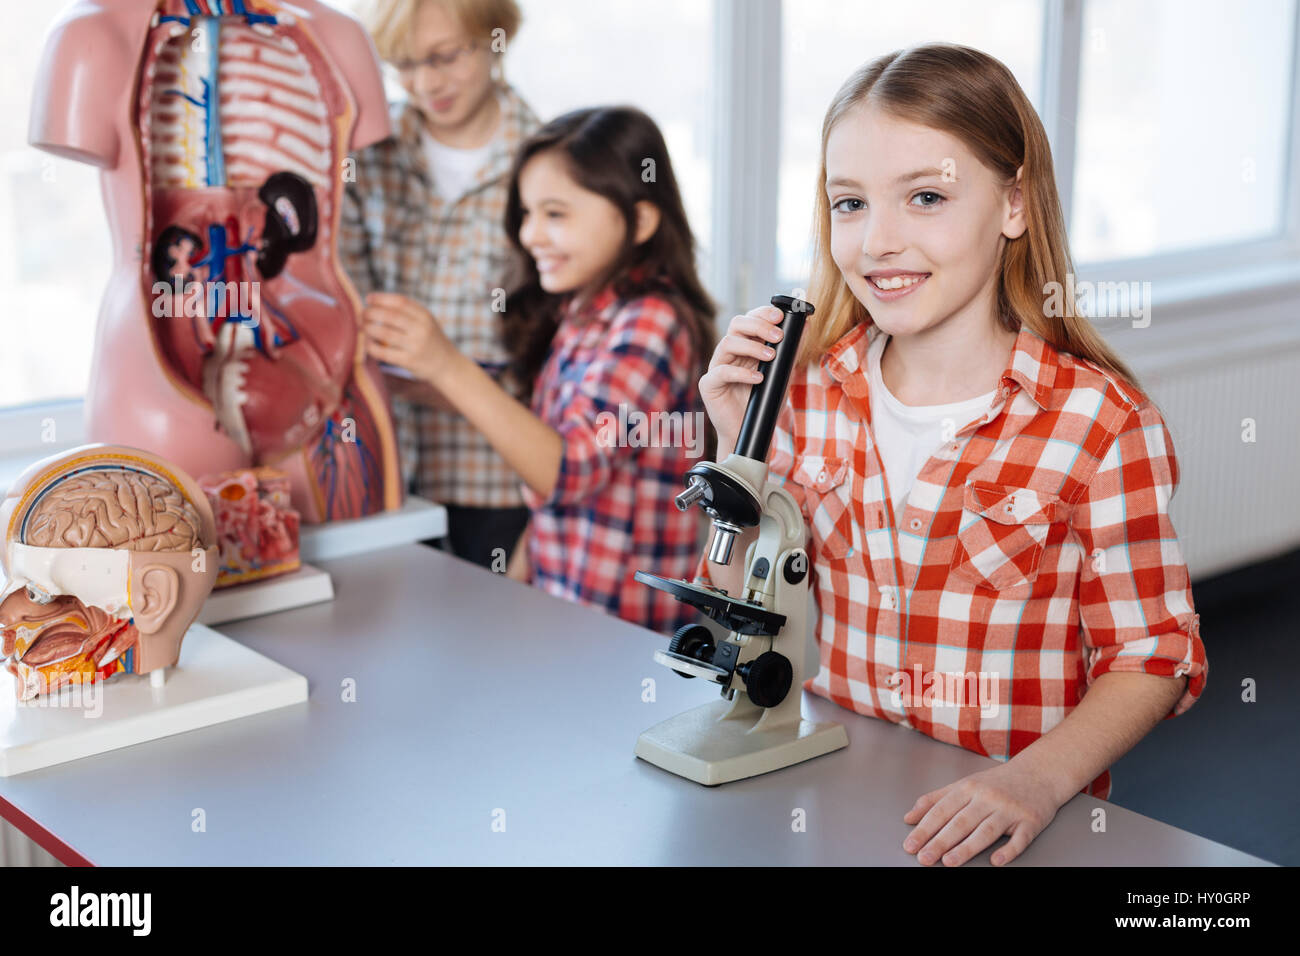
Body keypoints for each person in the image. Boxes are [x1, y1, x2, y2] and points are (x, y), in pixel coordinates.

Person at [699, 44, 1207, 866]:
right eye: (851, 203)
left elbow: (1154, 656)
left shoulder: (1099, 422)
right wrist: (738, 449)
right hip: (833, 799)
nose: (877, 243)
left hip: (1004, 828)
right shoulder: (804, 391)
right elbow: (737, 608)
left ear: (1012, 204)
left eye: (926, 197)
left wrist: (1036, 782)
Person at [363, 106, 716, 635]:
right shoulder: (583, 310)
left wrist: (447, 364)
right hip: (567, 618)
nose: (529, 235)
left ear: (640, 219)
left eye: (555, 214)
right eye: (527, 213)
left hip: (623, 638)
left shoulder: (652, 322)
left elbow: (567, 469)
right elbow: (551, 434)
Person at [340, 0, 540, 568]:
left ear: (495, 38)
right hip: (386, 475)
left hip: (498, 483)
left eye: (446, 57)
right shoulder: (367, 153)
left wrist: (442, 370)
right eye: (403, 64)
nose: (426, 83)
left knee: (493, 646)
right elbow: (339, 301)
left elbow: (561, 357)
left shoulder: (550, 163)